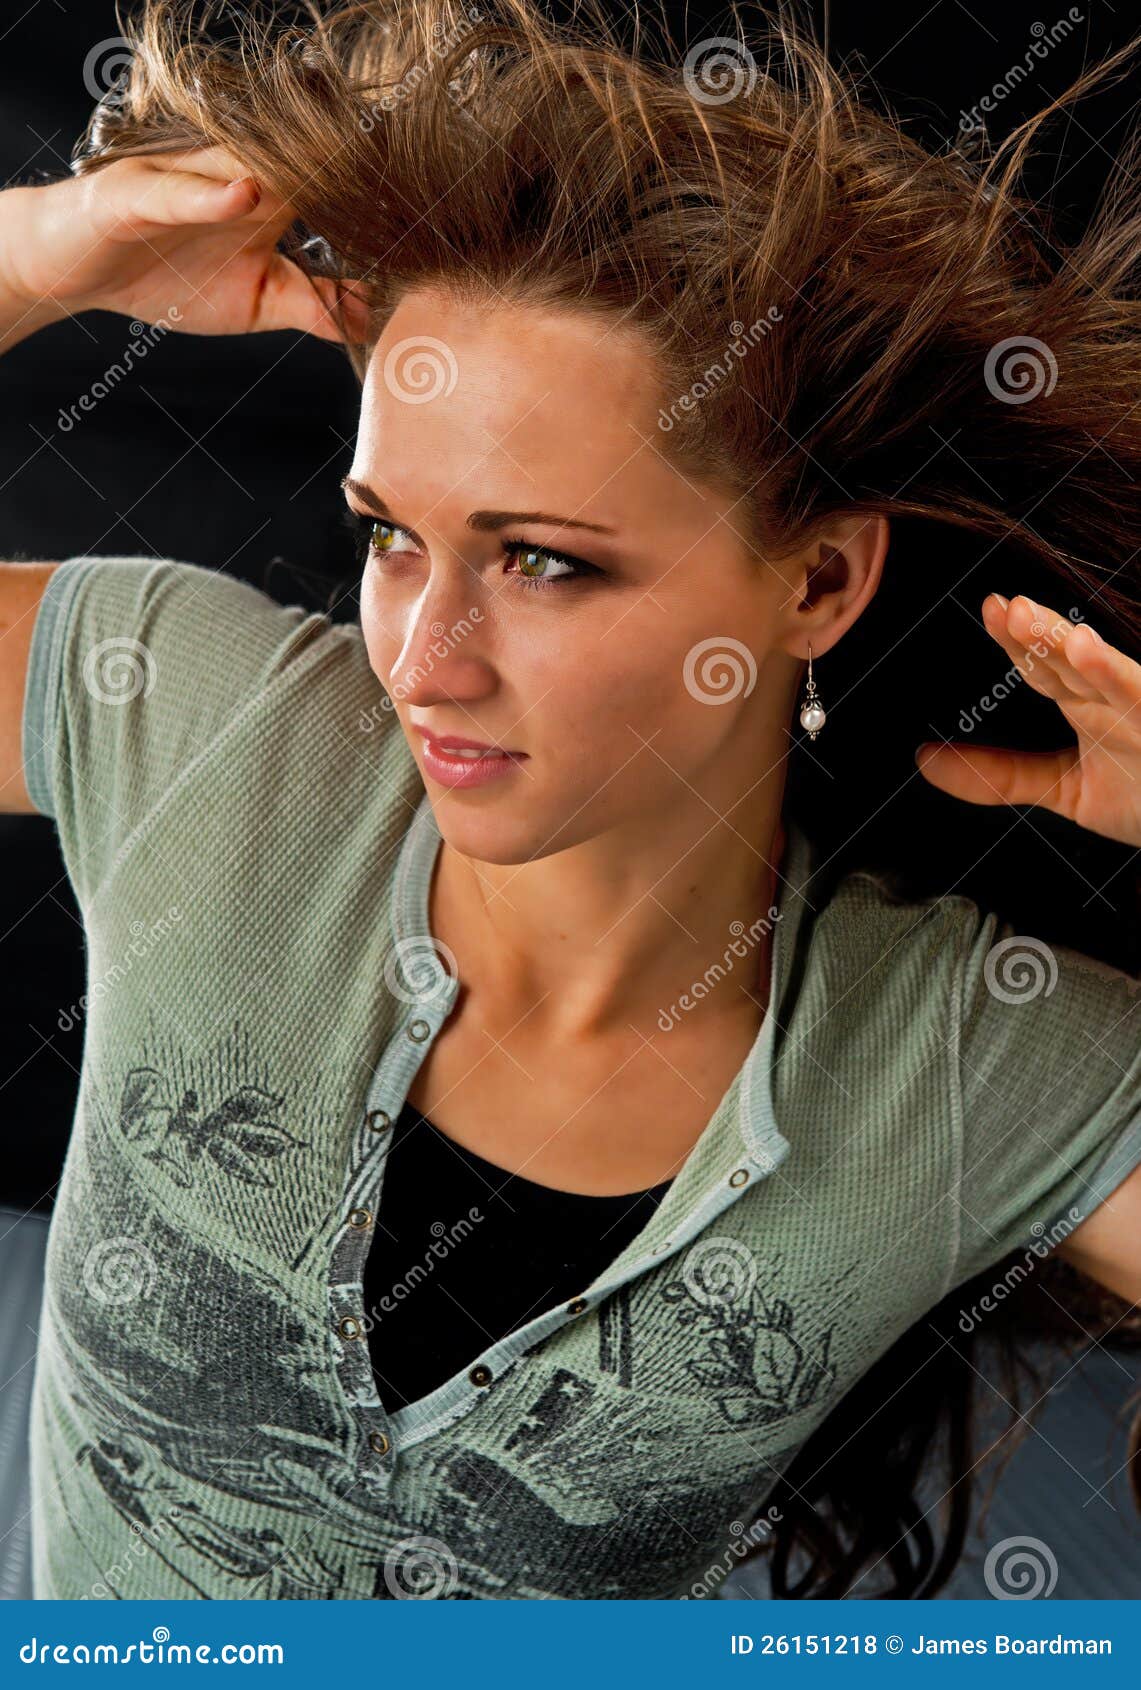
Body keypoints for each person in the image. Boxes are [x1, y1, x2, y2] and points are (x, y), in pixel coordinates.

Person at [0, 0, 1138, 1601]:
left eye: (543, 561)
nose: (426, 658)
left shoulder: (966, 1060)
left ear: (815, 579)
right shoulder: (198, 722)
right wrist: (40, 255)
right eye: (392, 535)